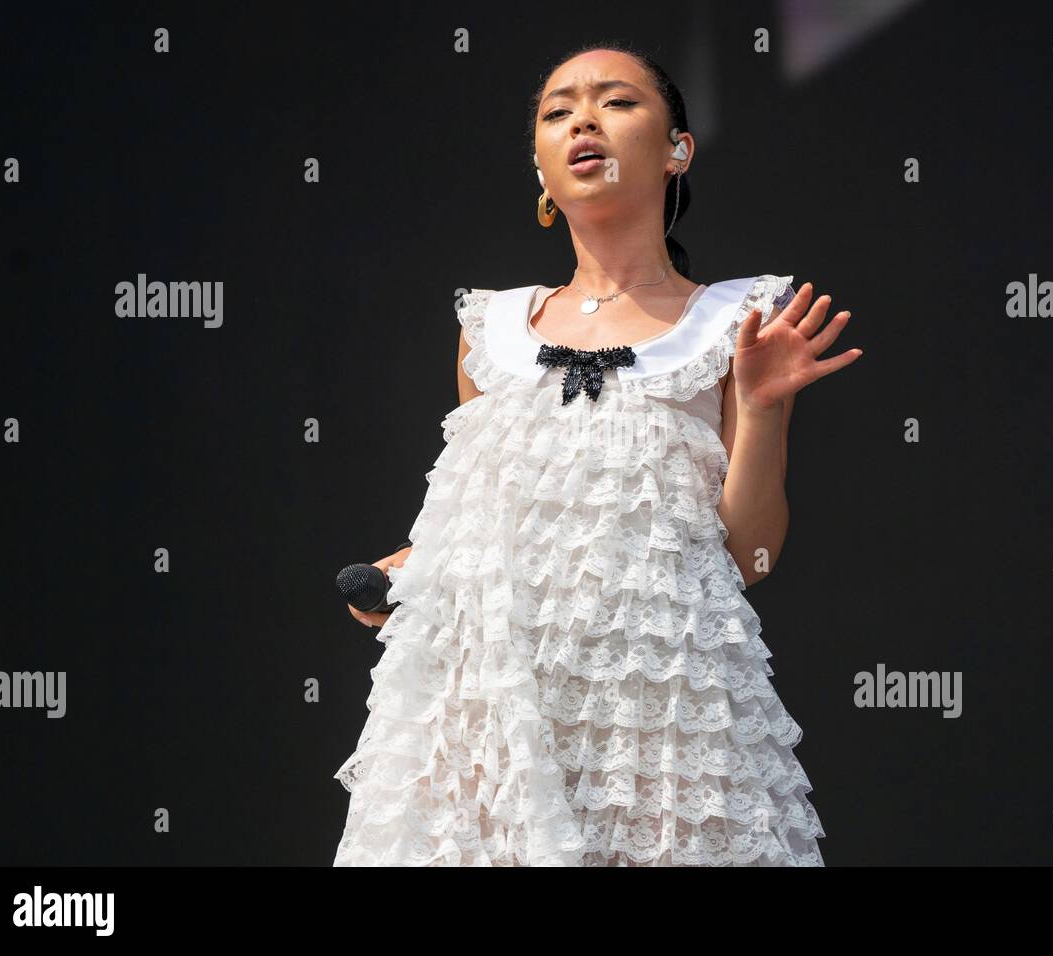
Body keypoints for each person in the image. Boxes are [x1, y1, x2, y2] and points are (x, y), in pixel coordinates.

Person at [333, 42, 862, 866]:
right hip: (489, 723)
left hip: (654, 728)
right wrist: (405, 578)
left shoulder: (735, 322)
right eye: (557, 111)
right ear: (541, 169)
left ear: (678, 147)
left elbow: (749, 556)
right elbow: (469, 526)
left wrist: (760, 407)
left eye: (616, 101)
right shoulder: (492, 329)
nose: (583, 119)